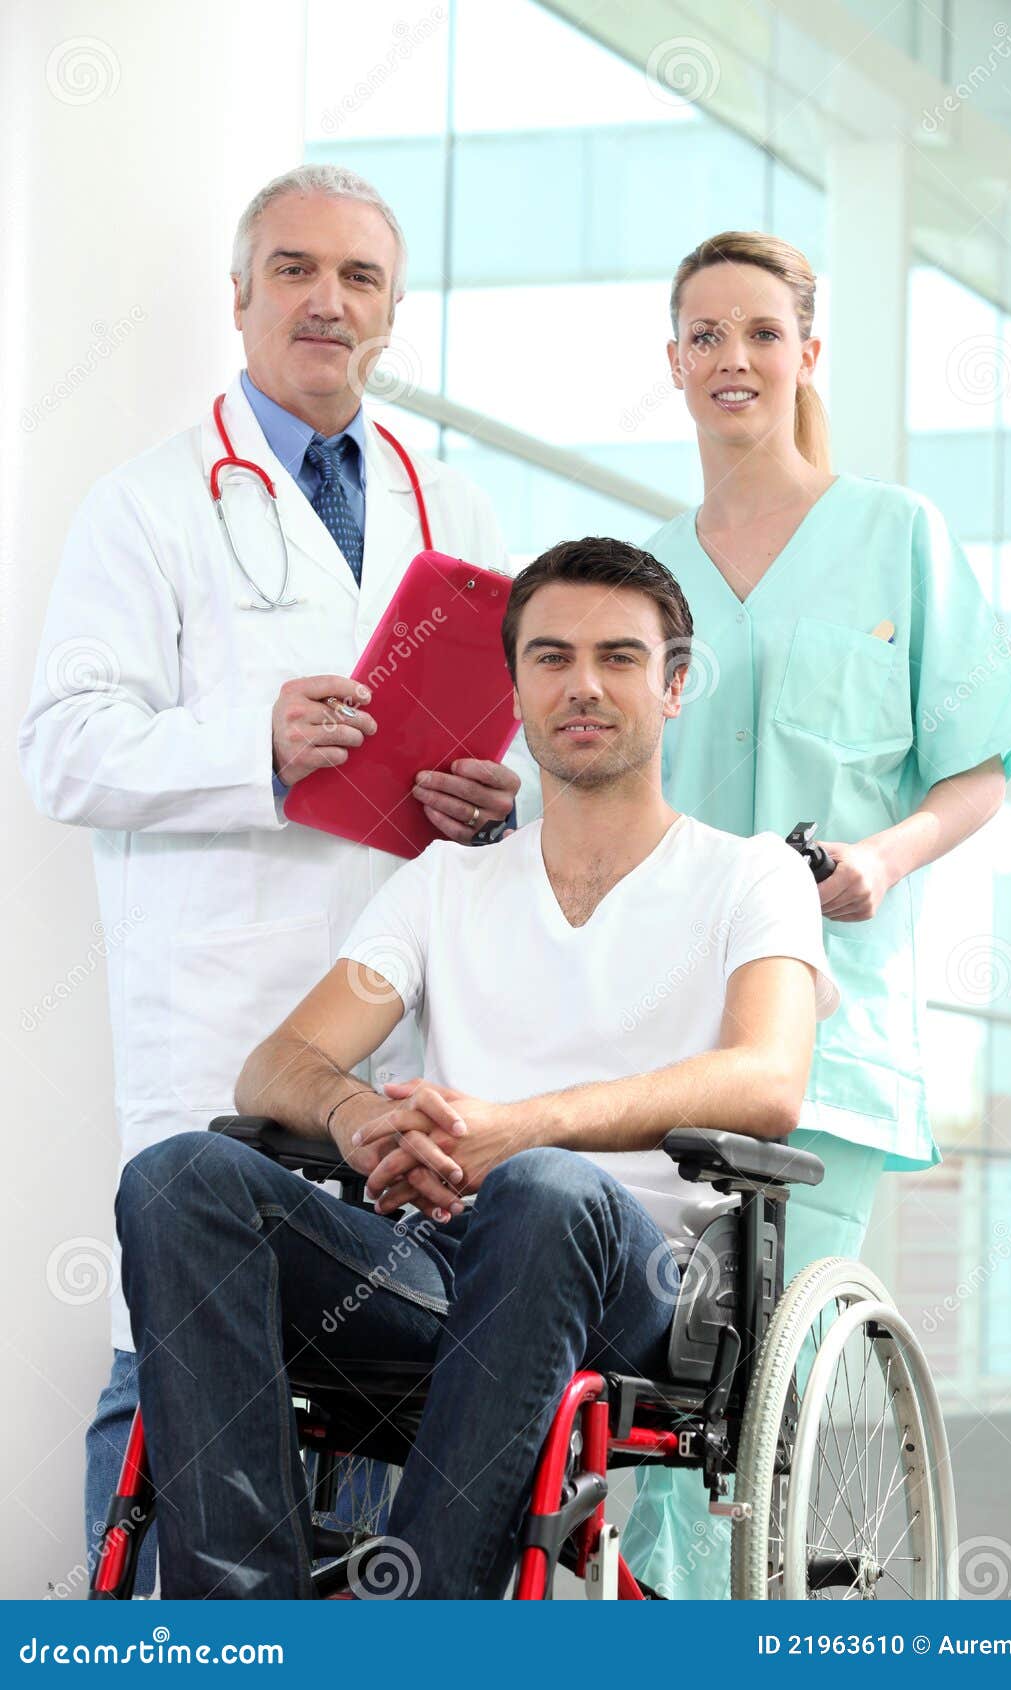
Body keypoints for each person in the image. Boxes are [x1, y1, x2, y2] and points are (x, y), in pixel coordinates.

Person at [115, 536, 840, 1599]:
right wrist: (356, 1114)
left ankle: (420, 1631)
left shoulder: (751, 878)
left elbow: (766, 1078)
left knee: (543, 1190)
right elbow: (278, 1064)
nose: (581, 684)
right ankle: (242, 1624)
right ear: (513, 687)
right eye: (549, 657)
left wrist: (517, 1127)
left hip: (635, 1291)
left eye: (618, 658)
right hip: (435, 1269)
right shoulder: (444, 883)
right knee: (178, 1178)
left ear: (675, 682)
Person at [18, 163, 535, 1593]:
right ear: (238, 298)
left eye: (358, 277)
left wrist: (492, 804)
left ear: (392, 311)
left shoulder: (462, 508)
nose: (327, 300)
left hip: (399, 1039)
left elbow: (516, 763)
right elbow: (62, 748)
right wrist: (253, 738)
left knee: (381, 1392)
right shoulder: (146, 505)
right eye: (294, 270)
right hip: (218, 1016)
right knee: (177, 1361)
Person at [619, 231, 1011, 1599]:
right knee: (643, 1406)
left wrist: (883, 855)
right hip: (653, 1036)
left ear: (806, 355)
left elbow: (973, 766)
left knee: (757, 1404)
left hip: (829, 1038)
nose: (729, 357)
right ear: (672, 362)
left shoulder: (894, 537)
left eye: (758, 331)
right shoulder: (638, 571)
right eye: (702, 334)